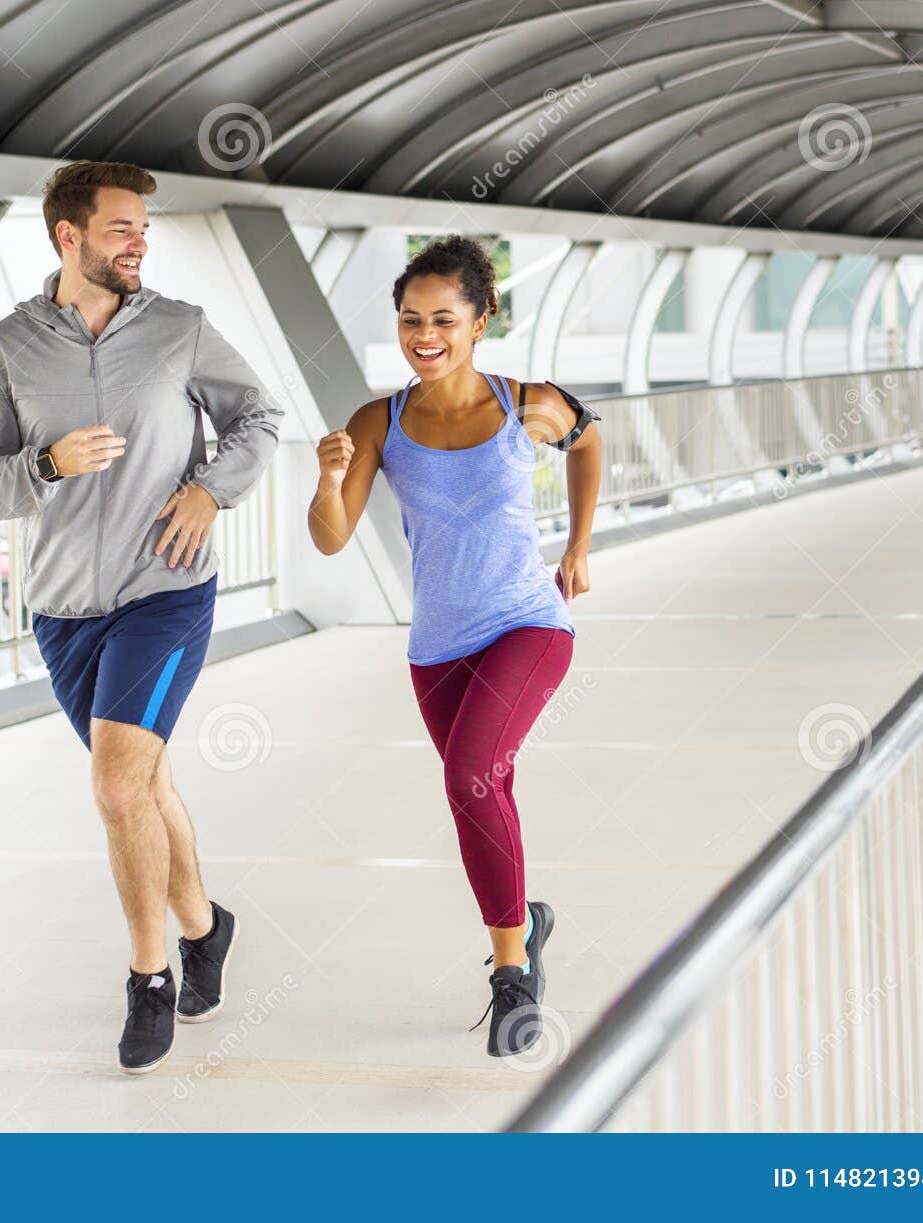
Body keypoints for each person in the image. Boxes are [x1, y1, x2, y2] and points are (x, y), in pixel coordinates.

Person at [0, 161, 283, 1074]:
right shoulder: (7, 349)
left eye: (144, 229)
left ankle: (149, 975)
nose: (139, 243)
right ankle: (206, 927)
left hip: (166, 591)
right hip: (62, 609)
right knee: (146, 784)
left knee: (118, 788)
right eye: (121, 228)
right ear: (70, 236)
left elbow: (259, 417)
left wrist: (210, 491)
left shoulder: (179, 329)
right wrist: (45, 465)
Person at [306, 236, 602, 1056]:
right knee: (483, 789)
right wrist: (328, 478)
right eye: (411, 319)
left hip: (528, 623)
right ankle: (525, 922)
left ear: (481, 321)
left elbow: (587, 440)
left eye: (443, 319)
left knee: (471, 774)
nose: (425, 335)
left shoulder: (524, 404)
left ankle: (512, 973)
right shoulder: (380, 422)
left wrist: (579, 546)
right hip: (436, 649)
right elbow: (330, 537)